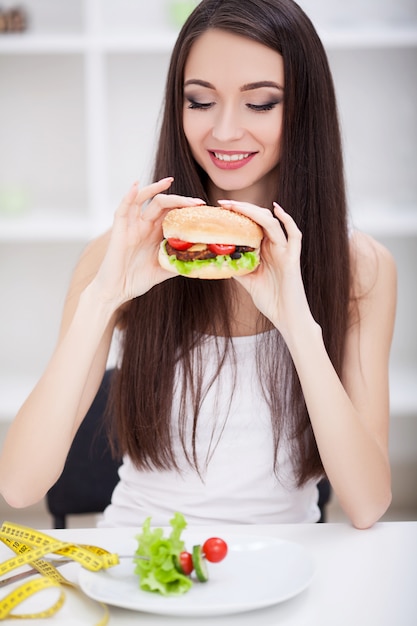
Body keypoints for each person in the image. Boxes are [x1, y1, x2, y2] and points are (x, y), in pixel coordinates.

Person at [0, 0, 396, 529]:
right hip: (142, 564)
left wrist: (297, 322)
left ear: (305, 108)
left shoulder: (362, 267)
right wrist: (102, 299)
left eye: (261, 104)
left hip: (282, 574)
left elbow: (367, 505)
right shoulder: (121, 250)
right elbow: (20, 485)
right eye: (200, 101)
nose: (225, 132)